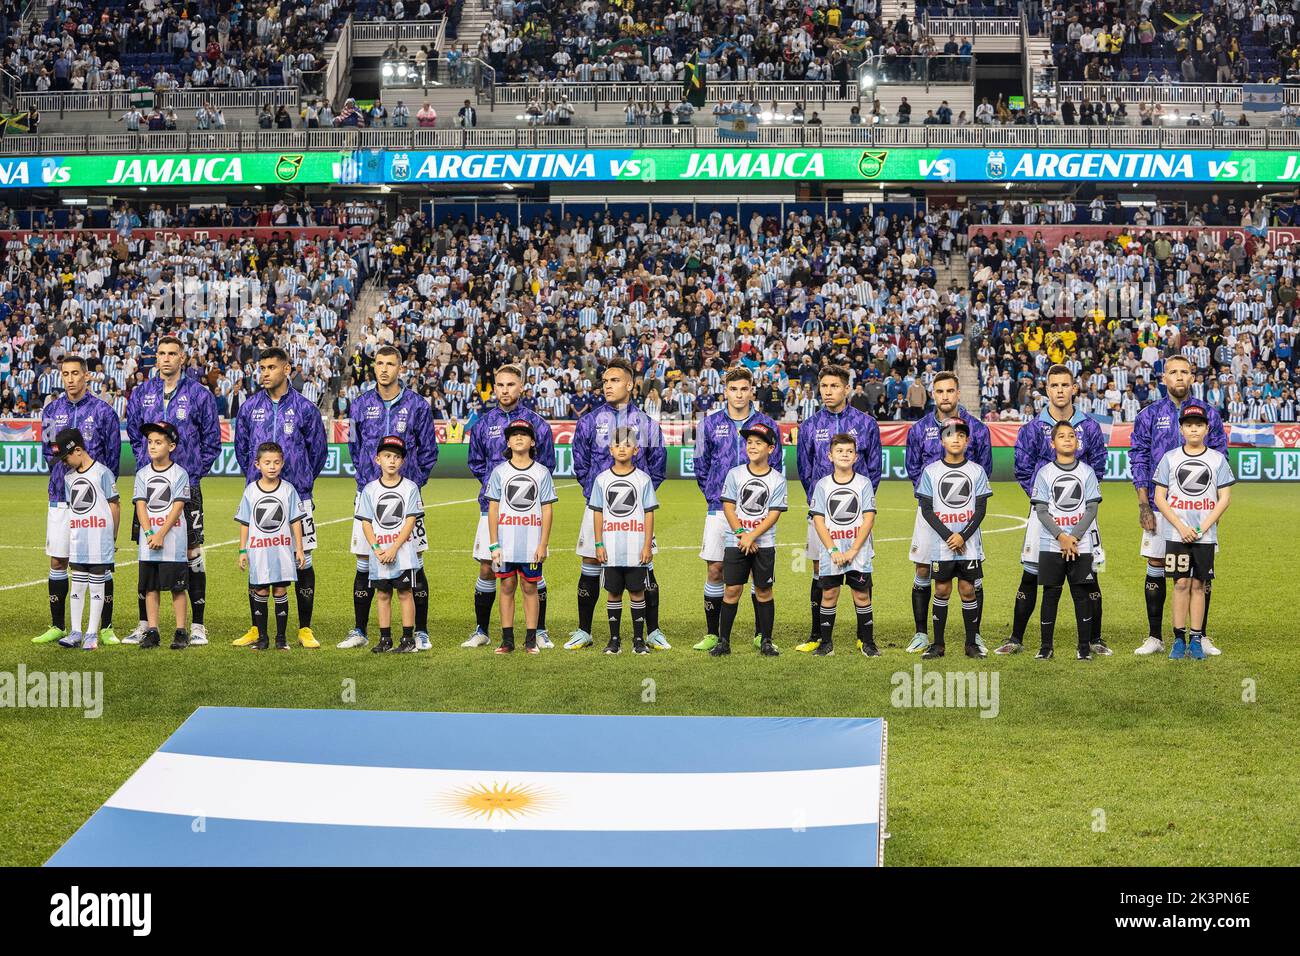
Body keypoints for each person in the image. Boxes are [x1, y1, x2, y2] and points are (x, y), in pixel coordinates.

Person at [998, 364, 1109, 655]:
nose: (1060, 390)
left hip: (1081, 517)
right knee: (1030, 574)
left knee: (1089, 576)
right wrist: (1045, 504)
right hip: (1044, 516)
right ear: (1047, 390)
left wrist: (1080, 503)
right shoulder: (1032, 428)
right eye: (1054, 385)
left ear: (1074, 388)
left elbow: (1098, 467)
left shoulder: (1090, 427)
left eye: (1065, 385)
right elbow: (1023, 470)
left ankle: (1095, 639)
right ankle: (1016, 638)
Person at [124, 335, 220, 646]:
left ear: (182, 358)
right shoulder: (142, 393)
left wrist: (192, 474)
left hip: (186, 489)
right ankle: (145, 625)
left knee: (192, 552)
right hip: (150, 489)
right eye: (161, 353)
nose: (165, 358)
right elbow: (134, 434)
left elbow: (212, 441)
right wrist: (145, 464)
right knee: (147, 550)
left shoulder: (199, 394)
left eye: (172, 353)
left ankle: (197, 625)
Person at [340, 346, 438, 649]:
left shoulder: (417, 405)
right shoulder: (359, 404)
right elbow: (354, 446)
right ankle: (360, 631)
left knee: (414, 562)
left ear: (400, 368)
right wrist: (367, 479)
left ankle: (420, 632)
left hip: (405, 499)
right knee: (364, 560)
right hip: (368, 495)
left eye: (390, 364)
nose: (384, 369)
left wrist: (411, 486)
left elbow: (429, 450)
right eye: (380, 363)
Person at [565, 359, 667, 650]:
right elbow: (580, 464)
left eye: (615, 380)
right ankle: (584, 630)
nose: (608, 386)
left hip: (636, 513)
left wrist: (638, 498)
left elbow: (658, 467)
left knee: (644, 564)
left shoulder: (647, 424)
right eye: (605, 381)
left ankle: (652, 631)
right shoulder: (588, 421)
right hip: (598, 509)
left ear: (630, 385)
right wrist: (595, 494)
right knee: (590, 562)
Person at [1130, 355, 1228, 655]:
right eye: (1173, 372)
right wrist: (1144, 504)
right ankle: (1155, 637)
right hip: (1160, 506)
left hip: (1200, 509)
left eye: (1185, 371)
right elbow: (1139, 458)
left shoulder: (1209, 414)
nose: (1179, 377)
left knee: (1201, 571)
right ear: (1164, 378)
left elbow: (1221, 458)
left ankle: (1201, 635)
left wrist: (1215, 510)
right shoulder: (1148, 414)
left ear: (1192, 376)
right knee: (1157, 564)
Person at [231, 348, 327, 649]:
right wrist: (255, 479)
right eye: (262, 368)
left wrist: (301, 480)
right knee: (258, 559)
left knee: (303, 560)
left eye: (271, 367)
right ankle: (256, 628)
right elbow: (242, 449)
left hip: (298, 496)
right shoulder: (249, 407)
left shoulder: (305, 409)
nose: (265, 373)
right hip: (260, 498)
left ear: (287, 369)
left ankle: (305, 629)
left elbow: (318, 452)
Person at [464, 364, 556, 649]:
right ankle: (482, 630)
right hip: (492, 509)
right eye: (500, 385)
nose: (505, 390)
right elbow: (475, 461)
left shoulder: (538, 424)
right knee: (488, 568)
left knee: (533, 571)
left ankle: (539, 631)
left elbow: (547, 465)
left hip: (528, 513)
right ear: (495, 388)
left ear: (521, 387)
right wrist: (494, 487)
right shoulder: (483, 424)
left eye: (511, 384)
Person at [33, 356, 122, 646]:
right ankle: (58, 626)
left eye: (75, 373)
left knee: (99, 562)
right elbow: (48, 452)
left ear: (86, 376)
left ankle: (105, 627)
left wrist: (94, 483)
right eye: (65, 374)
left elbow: (112, 459)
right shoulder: (52, 410)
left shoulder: (104, 411)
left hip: (94, 502)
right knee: (59, 559)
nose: (70, 379)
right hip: (61, 497)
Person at [691, 366, 782, 652]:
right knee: (716, 569)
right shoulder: (708, 424)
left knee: (759, 575)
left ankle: (760, 634)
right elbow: (700, 465)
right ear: (725, 391)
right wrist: (713, 495)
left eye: (744, 389)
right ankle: (713, 634)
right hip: (720, 510)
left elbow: (776, 466)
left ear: (752, 390)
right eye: (733, 389)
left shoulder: (767, 424)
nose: (739, 394)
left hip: (757, 513)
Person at [796, 365, 881, 650]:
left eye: (834, 386)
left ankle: (863, 637)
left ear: (846, 388)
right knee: (819, 569)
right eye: (824, 386)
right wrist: (817, 504)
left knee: (861, 569)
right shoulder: (810, 425)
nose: (828, 391)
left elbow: (874, 469)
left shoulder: (866, 423)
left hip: (857, 515)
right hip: (822, 514)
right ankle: (817, 635)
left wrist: (860, 503)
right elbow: (804, 468)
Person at [904, 372, 991, 652]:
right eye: (940, 391)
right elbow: (913, 469)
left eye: (950, 391)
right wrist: (932, 501)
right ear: (933, 394)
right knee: (923, 568)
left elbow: (984, 469)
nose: (945, 396)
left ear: (958, 393)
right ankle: (921, 634)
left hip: (966, 517)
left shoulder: (978, 429)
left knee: (972, 576)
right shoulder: (919, 429)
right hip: (930, 513)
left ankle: (975, 635)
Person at [1153, 401, 1234, 660]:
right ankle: (1179, 639)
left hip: (1204, 535)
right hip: (1176, 534)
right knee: (1180, 584)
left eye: (1199, 425)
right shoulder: (1170, 458)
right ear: (1181, 430)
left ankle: (1196, 639)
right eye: (1189, 425)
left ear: (1207, 428)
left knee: (1199, 585)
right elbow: (1159, 497)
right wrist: (1180, 526)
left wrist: (1200, 528)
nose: (1194, 429)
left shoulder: (1217, 459)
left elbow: (1225, 498)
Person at [798, 433, 878, 657]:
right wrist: (833, 549)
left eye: (849, 451)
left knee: (861, 596)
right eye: (839, 451)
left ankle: (868, 643)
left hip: (858, 552)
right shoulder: (823, 485)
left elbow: (869, 519)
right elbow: (818, 520)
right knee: (829, 594)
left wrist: (853, 550)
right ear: (830, 456)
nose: (845, 455)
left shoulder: (864, 483)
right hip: (830, 552)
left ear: (856, 457)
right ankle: (826, 644)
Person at [1029, 421, 1102, 661]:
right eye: (1061, 436)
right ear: (1053, 443)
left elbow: (1091, 509)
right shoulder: (1045, 473)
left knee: (1081, 594)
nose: (1068, 439)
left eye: (1071, 435)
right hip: (1052, 543)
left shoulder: (1087, 472)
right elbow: (1041, 511)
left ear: (1077, 442)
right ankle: (1046, 647)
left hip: (1081, 544)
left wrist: (1074, 537)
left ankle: (1083, 647)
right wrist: (1061, 536)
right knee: (1050, 593)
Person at [712, 424, 787, 657]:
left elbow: (774, 513)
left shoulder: (777, 479)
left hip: (763, 543)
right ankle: (723, 642)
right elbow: (728, 506)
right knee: (732, 590)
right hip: (736, 542)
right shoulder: (735, 474)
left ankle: (766, 641)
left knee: (763, 590)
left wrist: (752, 536)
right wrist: (742, 534)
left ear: (770, 448)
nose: (752, 447)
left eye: (758, 443)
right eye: (749, 443)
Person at [485, 419, 556, 654]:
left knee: (529, 587)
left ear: (532, 442)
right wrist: (494, 544)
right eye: (513, 434)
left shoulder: (541, 472)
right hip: (505, 544)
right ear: (507, 442)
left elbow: (547, 509)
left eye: (524, 434)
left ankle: (531, 639)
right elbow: (493, 509)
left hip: (531, 544)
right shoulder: (499, 472)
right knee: (506, 586)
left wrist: (543, 544)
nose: (518, 437)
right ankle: (507, 640)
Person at [589, 427, 658, 655]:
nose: (621, 449)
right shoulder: (602, 480)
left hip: (636, 548)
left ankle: (638, 640)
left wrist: (647, 545)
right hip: (611, 548)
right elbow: (597, 512)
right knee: (614, 592)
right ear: (610, 449)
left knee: (637, 592)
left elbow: (649, 513)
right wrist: (598, 544)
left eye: (627, 445)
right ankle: (614, 640)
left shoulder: (643, 479)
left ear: (635, 450)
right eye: (617, 445)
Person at [50, 429, 119, 651]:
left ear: (78, 450)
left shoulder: (102, 473)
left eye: (66, 458)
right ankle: (75, 632)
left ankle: (91, 634)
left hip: (99, 539)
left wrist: (112, 536)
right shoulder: (69, 478)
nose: (64, 463)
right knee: (77, 585)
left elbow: (114, 505)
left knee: (97, 586)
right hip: (79, 539)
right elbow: (74, 510)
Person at [355, 436, 424, 654]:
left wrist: (394, 548)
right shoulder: (370, 490)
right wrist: (376, 549)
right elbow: (366, 522)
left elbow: (410, 520)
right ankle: (385, 639)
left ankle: (408, 639)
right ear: (378, 460)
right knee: (382, 594)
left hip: (402, 553)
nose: (392, 461)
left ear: (402, 461)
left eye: (396, 457)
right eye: (387, 456)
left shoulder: (410, 487)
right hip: (380, 553)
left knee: (405, 593)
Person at [235, 442, 306, 651]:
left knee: (280, 590)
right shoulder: (251, 491)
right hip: (259, 551)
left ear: (282, 463)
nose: (272, 467)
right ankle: (262, 638)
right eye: (267, 463)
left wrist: (299, 548)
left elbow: (295, 520)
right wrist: (242, 550)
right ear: (257, 465)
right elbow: (245, 522)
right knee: (261, 589)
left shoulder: (288, 490)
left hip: (282, 551)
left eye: (276, 462)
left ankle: (281, 639)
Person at [132, 422, 191, 650]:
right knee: (151, 587)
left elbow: (178, 507)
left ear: (171, 446)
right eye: (150, 442)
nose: (152, 446)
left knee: (177, 587)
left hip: (173, 540)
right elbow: (140, 505)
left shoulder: (180, 474)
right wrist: (149, 533)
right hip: (149, 542)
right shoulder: (142, 474)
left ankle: (181, 631)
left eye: (158, 442)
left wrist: (161, 534)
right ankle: (152, 631)